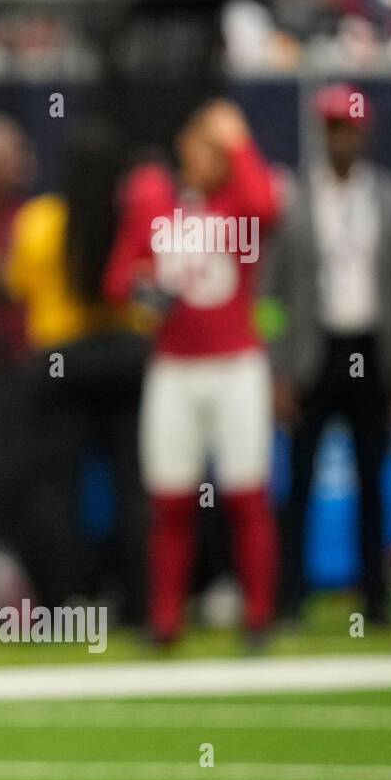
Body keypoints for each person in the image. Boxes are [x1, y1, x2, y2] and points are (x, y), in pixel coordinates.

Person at [104, 99, 281, 649]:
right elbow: (116, 280)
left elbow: (268, 208)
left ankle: (258, 616)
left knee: (245, 493)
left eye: (216, 150)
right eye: (200, 146)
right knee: (171, 498)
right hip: (175, 368)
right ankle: (166, 620)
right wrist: (143, 289)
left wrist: (240, 141)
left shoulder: (239, 202)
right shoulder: (157, 202)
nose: (204, 160)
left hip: (236, 365)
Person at [267, 83, 391, 624]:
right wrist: (278, 369)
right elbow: (271, 295)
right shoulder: (295, 199)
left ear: (365, 133)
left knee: (373, 477)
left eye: (349, 129)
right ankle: (292, 596)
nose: (342, 139)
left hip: (373, 347)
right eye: (333, 129)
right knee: (297, 479)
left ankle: (375, 595)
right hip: (313, 351)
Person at [4, 120, 149, 618]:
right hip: (127, 357)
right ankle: (139, 603)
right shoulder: (132, 219)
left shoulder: (40, 220)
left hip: (61, 363)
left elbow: (19, 286)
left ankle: (65, 600)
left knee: (54, 489)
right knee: (134, 485)